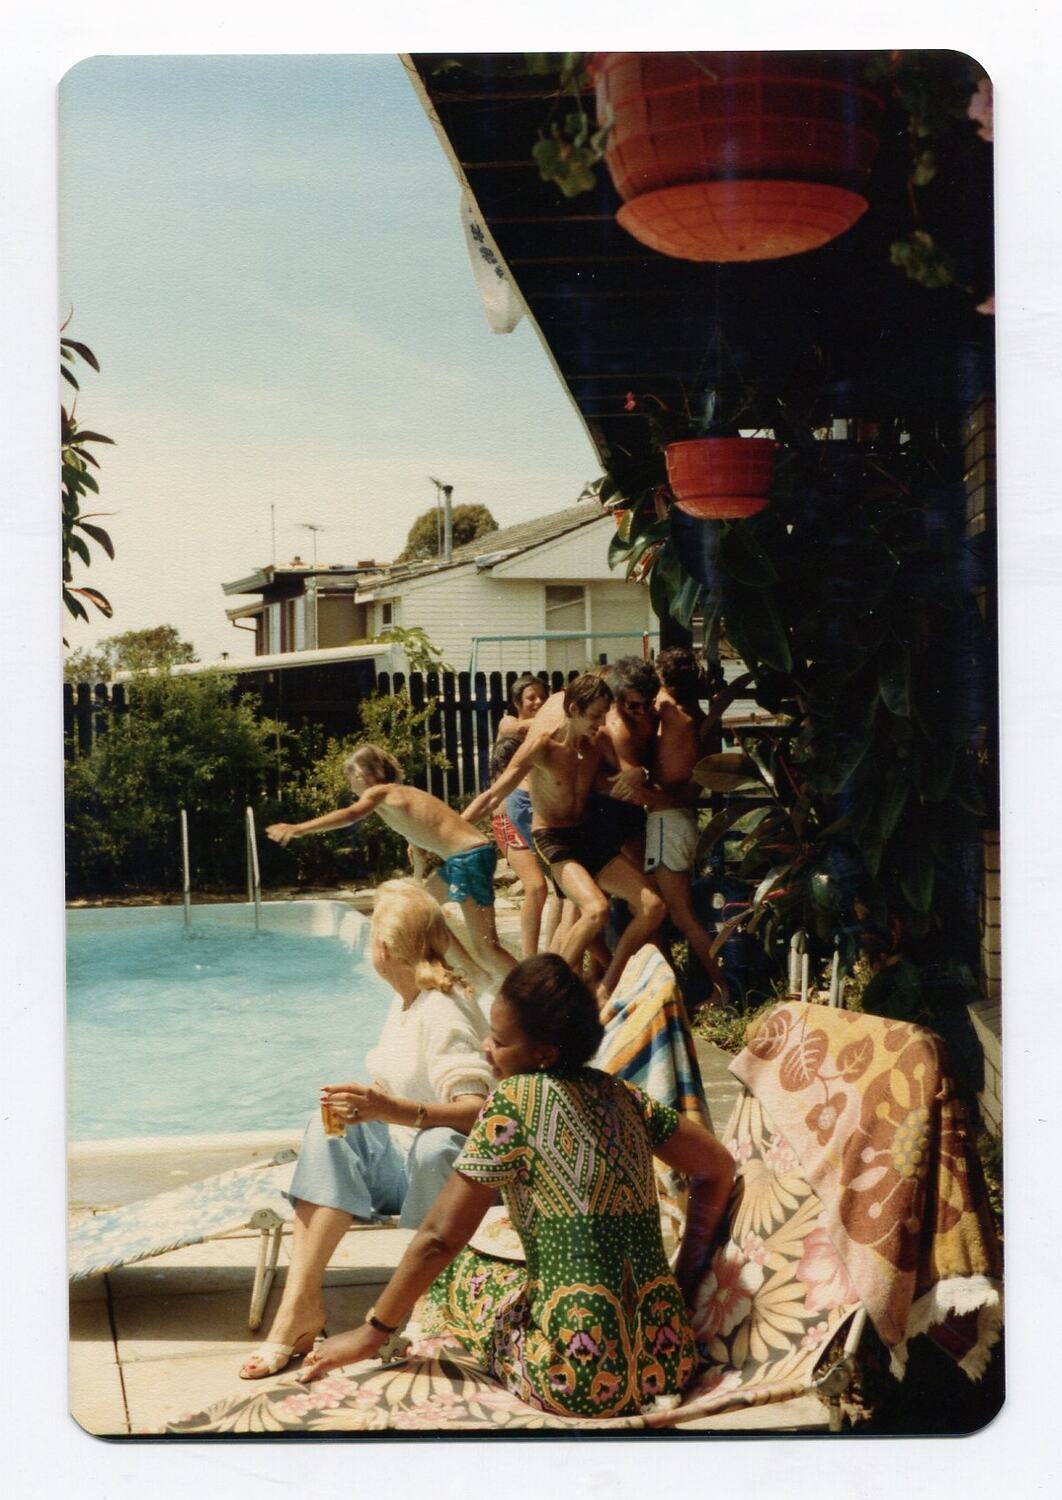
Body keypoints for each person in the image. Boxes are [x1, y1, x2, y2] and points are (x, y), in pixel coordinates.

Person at [297, 953, 735, 1420]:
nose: (486, 1049)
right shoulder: (624, 1096)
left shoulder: (512, 1102)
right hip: (668, 1361)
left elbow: (439, 1238)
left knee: (456, 1277)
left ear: (544, 1052)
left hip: (576, 1379)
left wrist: (372, 1332)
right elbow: (718, 1167)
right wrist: (685, 1275)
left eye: (500, 1041)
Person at [238, 880, 495, 1379]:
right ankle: (301, 1305)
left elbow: (477, 1111)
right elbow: (401, 1086)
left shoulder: (442, 1010)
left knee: (438, 1142)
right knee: (330, 1123)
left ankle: (428, 1303)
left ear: (382, 947)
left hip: (452, 1180)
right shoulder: (409, 999)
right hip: (405, 1163)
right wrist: (366, 1104)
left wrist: (391, 1108)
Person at [462, 673, 666, 1002]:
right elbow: (492, 795)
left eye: (605, 715)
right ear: (573, 708)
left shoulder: (598, 740)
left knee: (653, 906)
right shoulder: (542, 746)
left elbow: (632, 768)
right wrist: (453, 825)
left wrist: (637, 772)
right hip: (552, 838)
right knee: (596, 909)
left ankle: (608, 986)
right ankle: (544, 994)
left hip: (585, 833)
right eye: (595, 715)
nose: (602, 724)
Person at [267, 743, 515, 985]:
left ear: (361, 774)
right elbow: (423, 836)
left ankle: (537, 994)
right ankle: (473, 974)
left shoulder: (380, 792)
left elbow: (351, 815)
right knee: (421, 913)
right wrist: (417, 868)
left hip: (468, 858)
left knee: (487, 947)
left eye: (350, 778)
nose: (351, 786)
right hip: (464, 857)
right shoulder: (400, 795)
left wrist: (299, 828)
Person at [614, 648, 729, 1005]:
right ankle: (675, 986)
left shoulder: (669, 712)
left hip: (668, 822)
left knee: (680, 914)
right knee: (665, 911)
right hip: (678, 821)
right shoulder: (692, 716)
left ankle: (721, 988)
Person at [488, 734, 564, 958]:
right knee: (536, 886)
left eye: (541, 697)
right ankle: (529, 956)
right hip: (507, 825)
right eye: (531, 697)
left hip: (530, 820)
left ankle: (552, 950)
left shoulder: (534, 743)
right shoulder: (512, 751)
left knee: (560, 889)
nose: (537, 702)